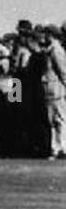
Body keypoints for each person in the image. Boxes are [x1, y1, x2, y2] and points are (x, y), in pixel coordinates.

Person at [40, 26, 66, 160]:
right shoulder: (50, 50)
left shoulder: (56, 51)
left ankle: (60, 148)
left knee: (58, 120)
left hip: (55, 89)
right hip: (50, 89)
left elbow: (63, 71)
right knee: (52, 120)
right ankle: (56, 148)